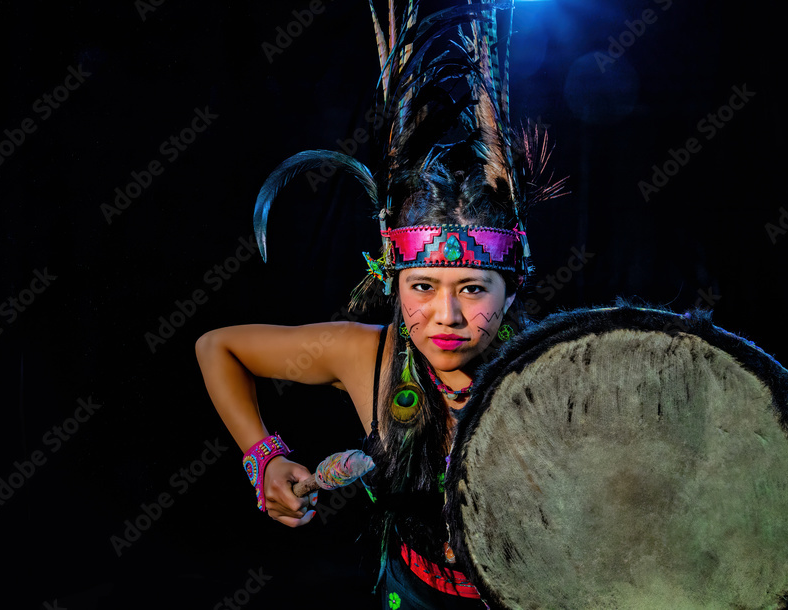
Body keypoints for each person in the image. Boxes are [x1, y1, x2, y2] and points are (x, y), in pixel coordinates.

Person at [196, 2, 565, 607]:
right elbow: (218, 347)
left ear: (512, 285)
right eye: (422, 288)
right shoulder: (366, 357)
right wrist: (263, 459)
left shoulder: (558, 376)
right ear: (391, 283)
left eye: (473, 288)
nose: (445, 316)